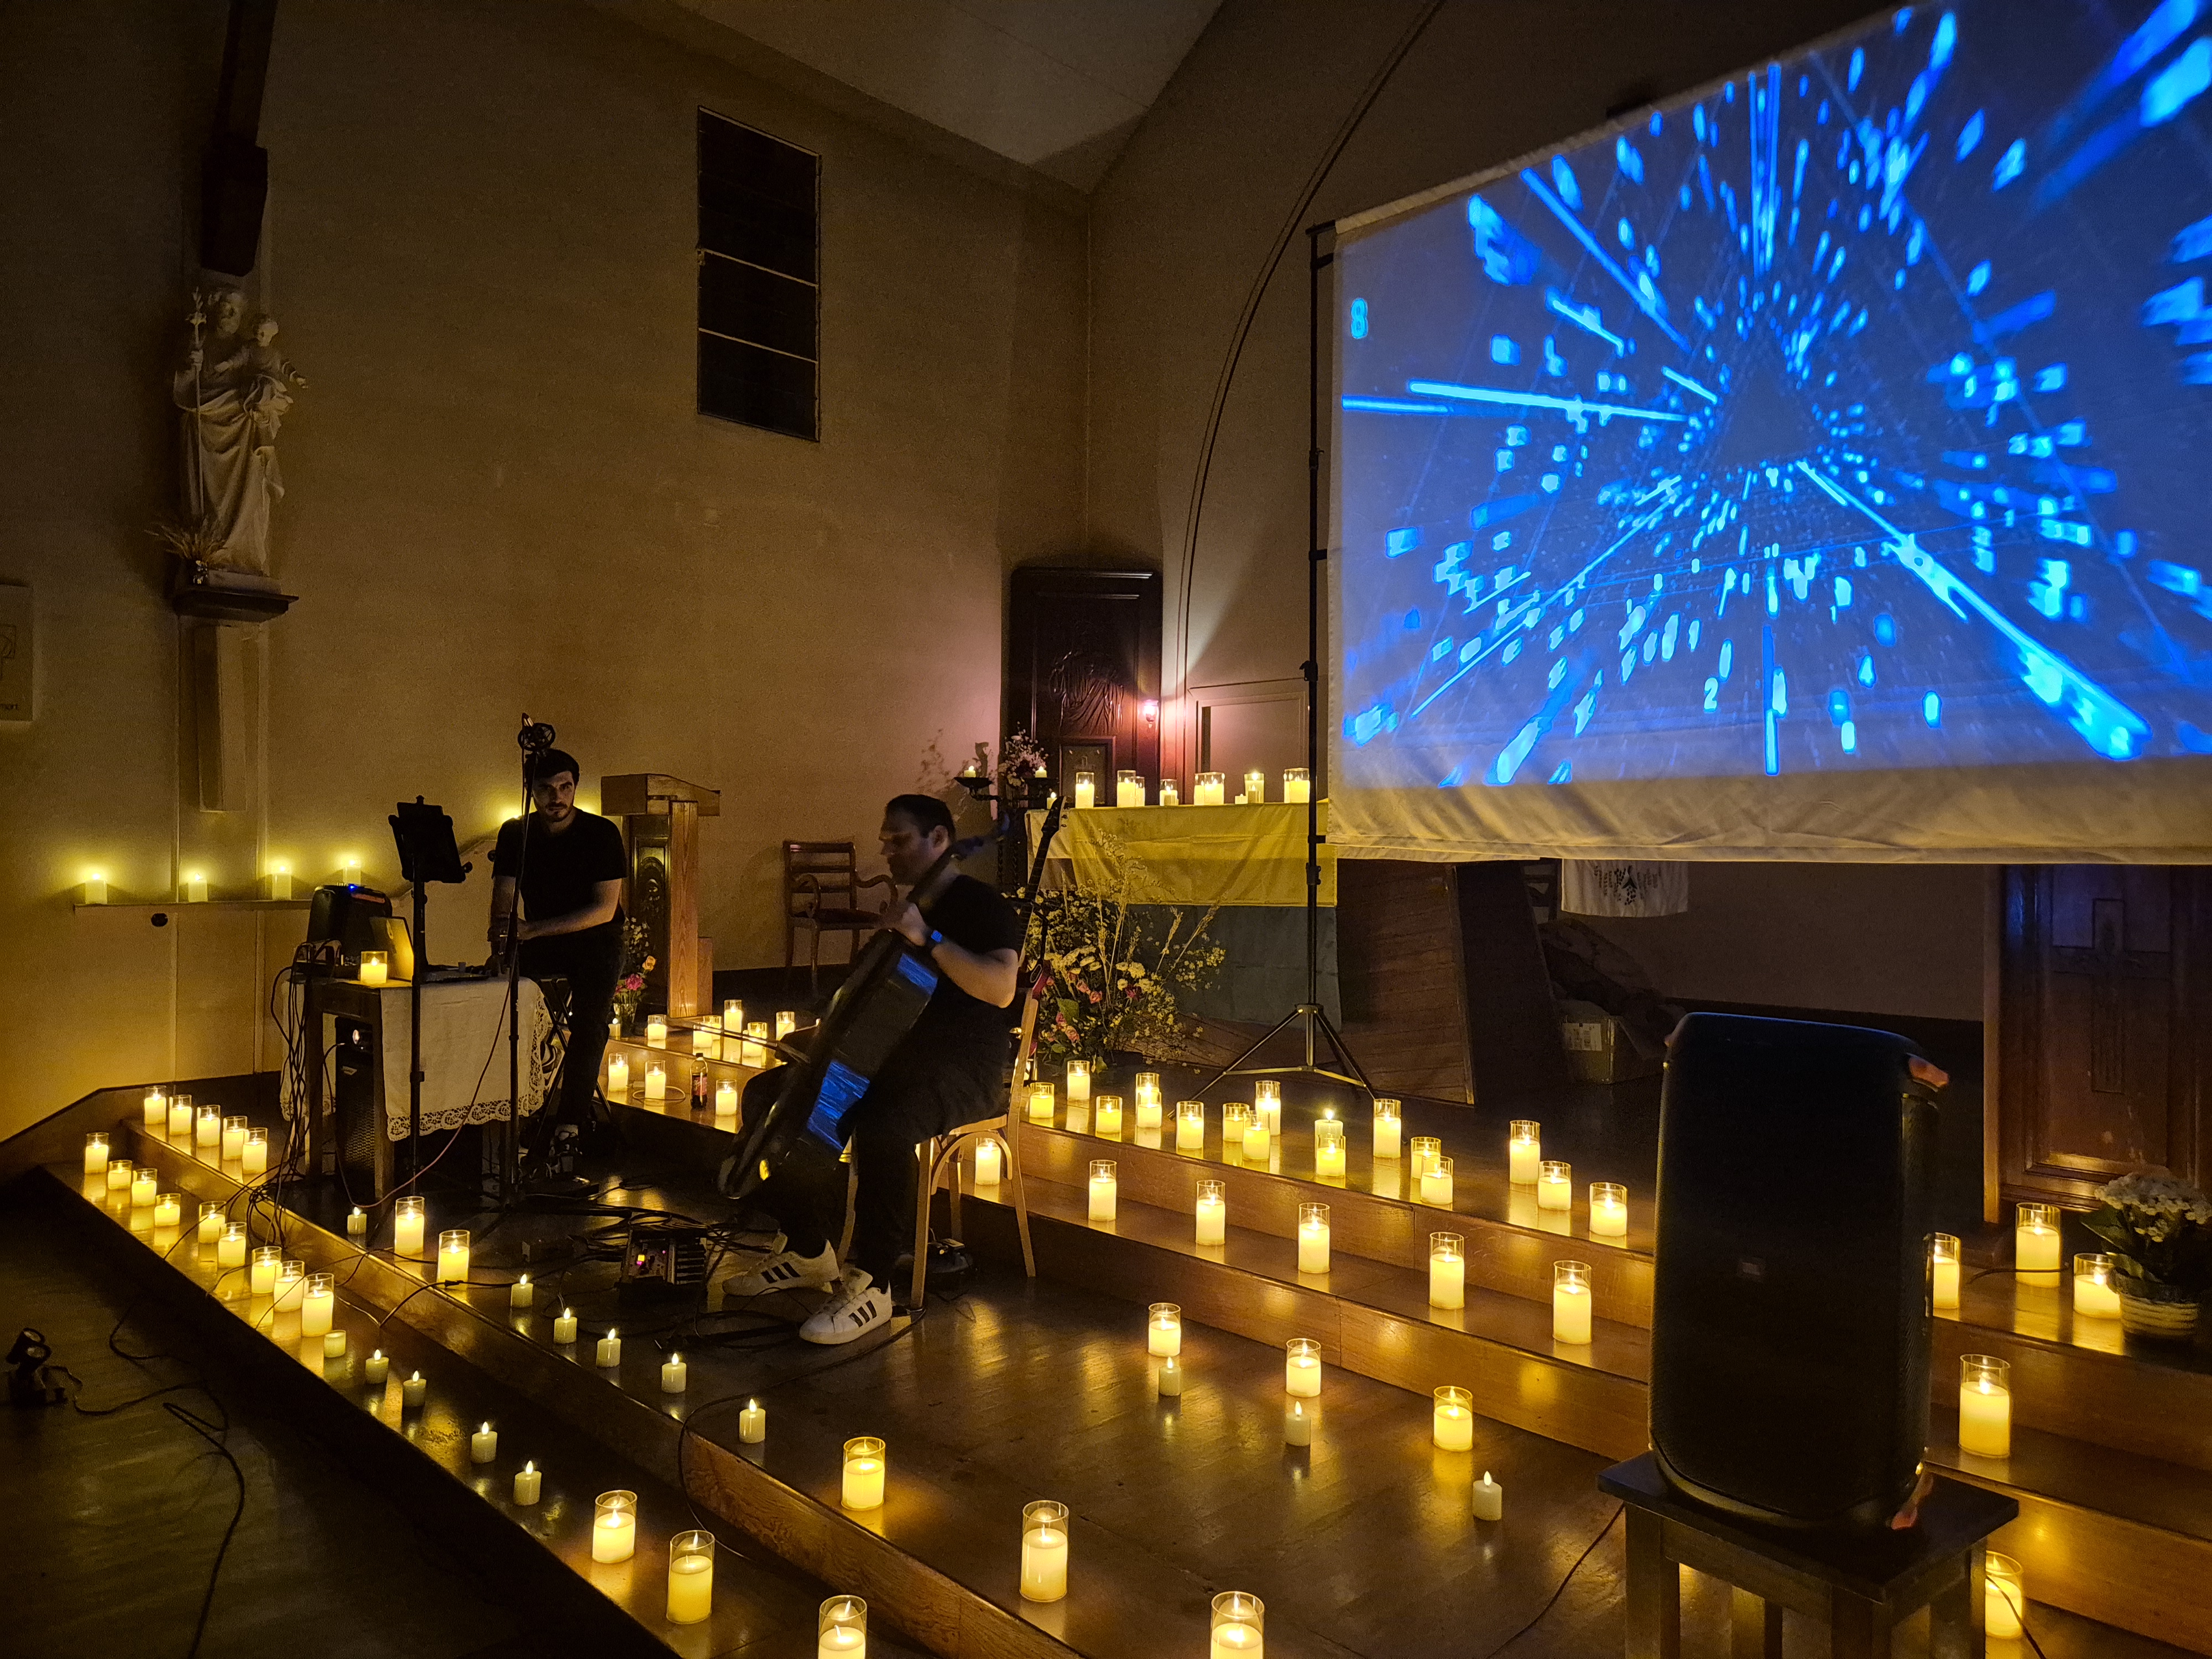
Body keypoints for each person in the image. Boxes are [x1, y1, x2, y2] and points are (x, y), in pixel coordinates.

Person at [727, 794, 1020, 1344]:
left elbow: (1001, 988)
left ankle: (874, 1283)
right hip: (887, 1060)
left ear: (939, 839)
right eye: (885, 840)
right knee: (769, 1096)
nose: (886, 851)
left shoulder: (980, 905)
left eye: (899, 840)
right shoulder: (907, 908)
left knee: (884, 1125)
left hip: (961, 1068)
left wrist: (927, 937)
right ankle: (809, 1250)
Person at [488, 749, 628, 1144]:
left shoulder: (601, 833)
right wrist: (501, 946)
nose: (557, 797)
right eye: (547, 788)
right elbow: (503, 898)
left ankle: (570, 1123)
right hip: (540, 940)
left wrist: (531, 930)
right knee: (498, 1004)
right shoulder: (515, 833)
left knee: (590, 1024)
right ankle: (508, 1111)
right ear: (531, 791)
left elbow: (604, 910)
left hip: (596, 941)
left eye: (565, 787)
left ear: (575, 788)